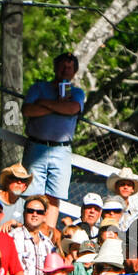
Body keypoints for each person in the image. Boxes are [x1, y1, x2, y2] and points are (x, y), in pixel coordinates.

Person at [20, 52, 84, 202]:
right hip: (37, 147)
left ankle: (48, 226)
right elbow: (28, 110)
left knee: (54, 197)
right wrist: (60, 106)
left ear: (74, 72)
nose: (65, 70)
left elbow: (72, 109)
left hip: (61, 149)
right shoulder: (39, 87)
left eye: (69, 67)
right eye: (62, 66)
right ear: (55, 67)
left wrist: (44, 103)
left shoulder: (76, 92)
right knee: (31, 194)